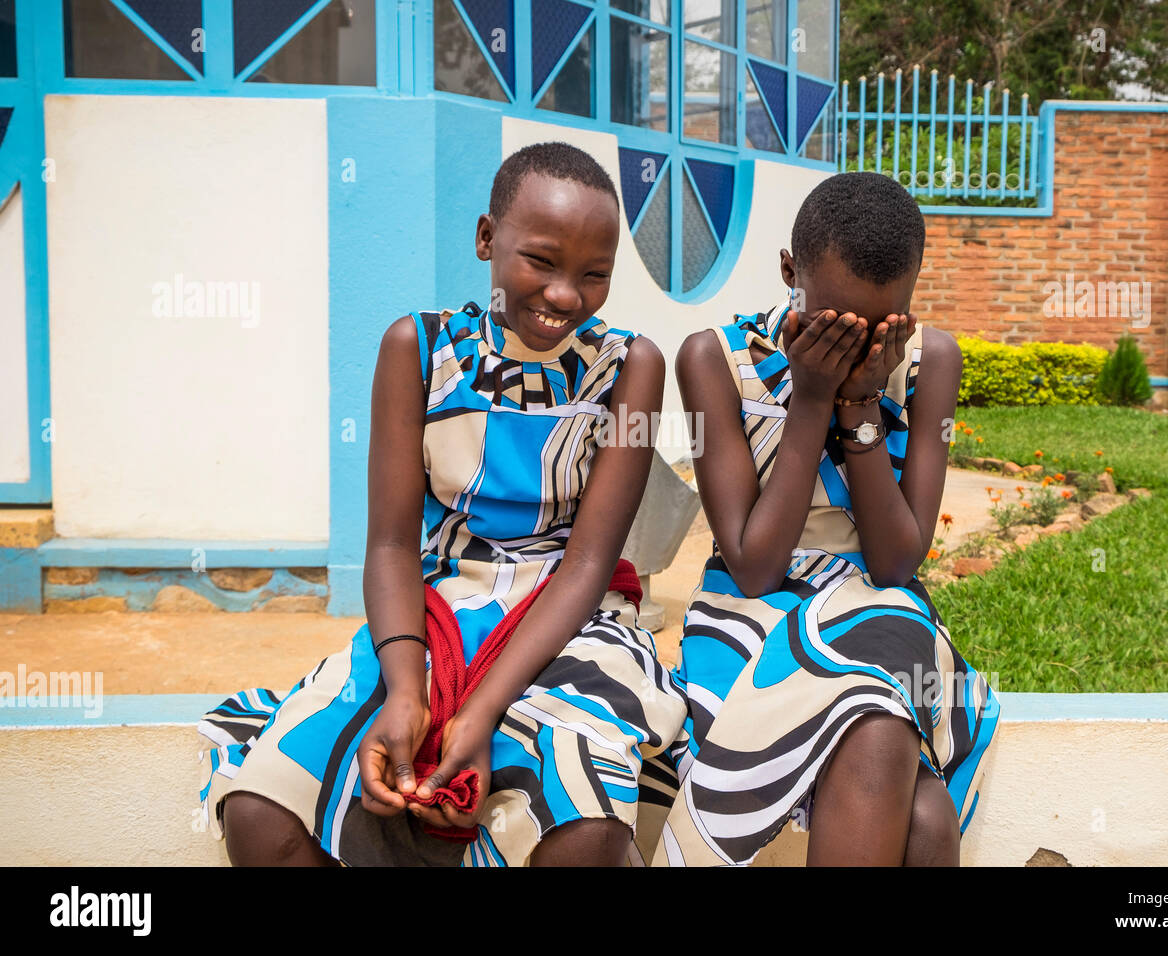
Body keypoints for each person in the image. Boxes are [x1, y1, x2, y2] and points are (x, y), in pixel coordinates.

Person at [197, 141, 687, 867]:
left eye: (594, 275)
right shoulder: (417, 350)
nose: (564, 296)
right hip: (436, 606)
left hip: (573, 615)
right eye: (541, 262)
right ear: (488, 238)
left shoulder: (631, 368)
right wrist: (405, 691)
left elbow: (588, 563)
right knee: (261, 809)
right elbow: (393, 544)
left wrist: (481, 710)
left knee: (584, 833)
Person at [650, 172, 1001, 866]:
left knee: (911, 786)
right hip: (750, 612)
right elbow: (753, 565)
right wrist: (810, 399)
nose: (855, 344)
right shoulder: (715, 360)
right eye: (834, 324)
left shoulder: (931, 361)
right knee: (918, 805)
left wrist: (860, 406)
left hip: (878, 599)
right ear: (790, 271)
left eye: (877, 325)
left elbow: (897, 562)